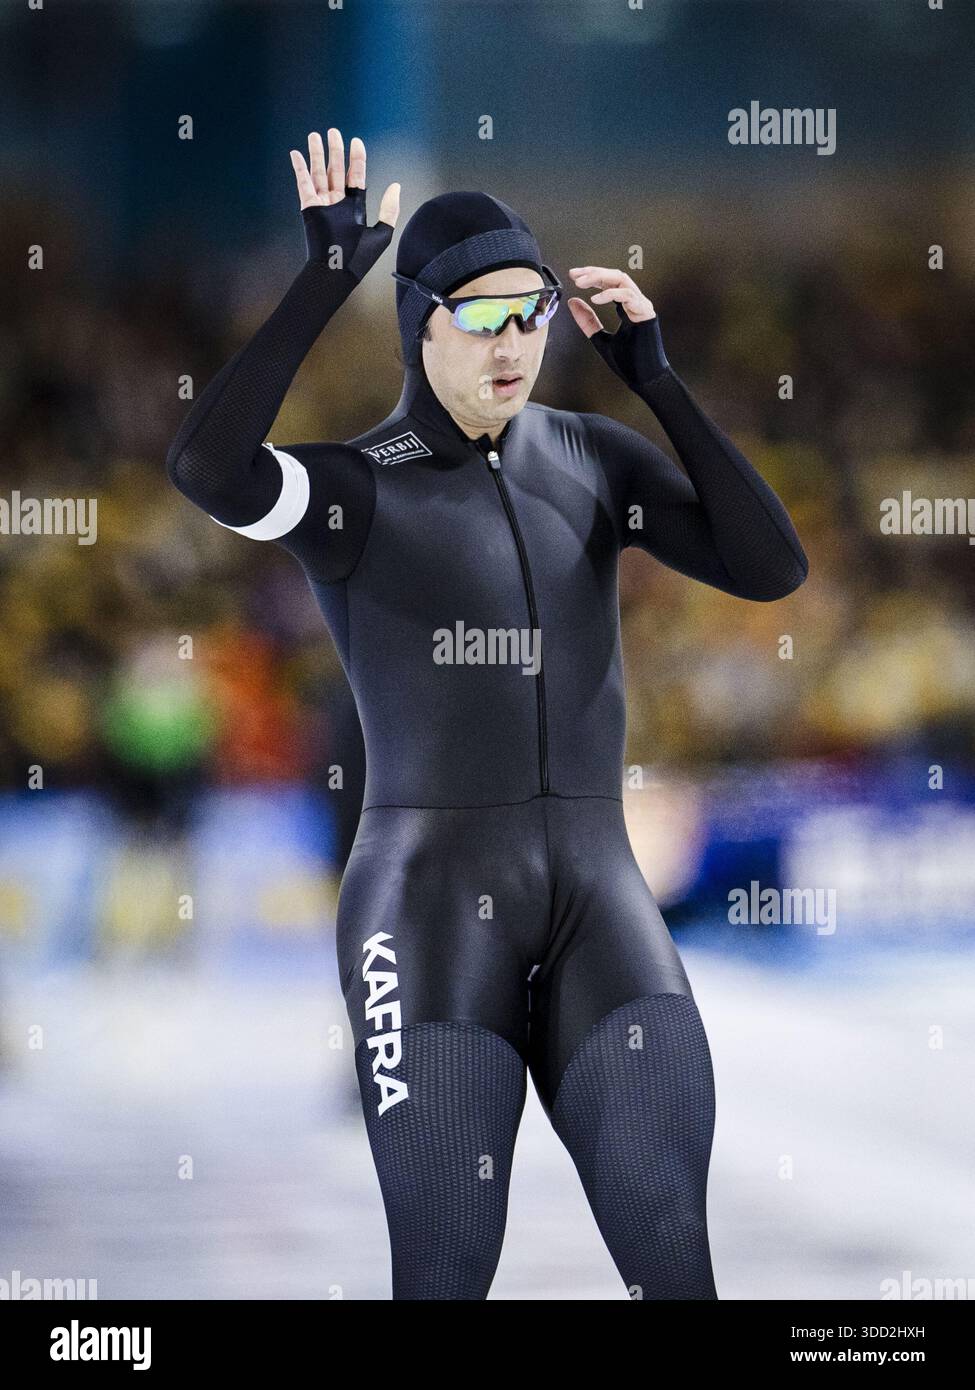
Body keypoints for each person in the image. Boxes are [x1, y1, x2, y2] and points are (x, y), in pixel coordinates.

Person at [166, 128, 808, 1300]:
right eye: (485, 317)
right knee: (448, 1273)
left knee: (676, 1254)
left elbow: (771, 568)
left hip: (599, 901)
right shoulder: (359, 492)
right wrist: (322, 280)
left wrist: (657, 380)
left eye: (536, 314)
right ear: (420, 321)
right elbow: (209, 469)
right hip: (425, 914)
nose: (518, 346)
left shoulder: (593, 459)